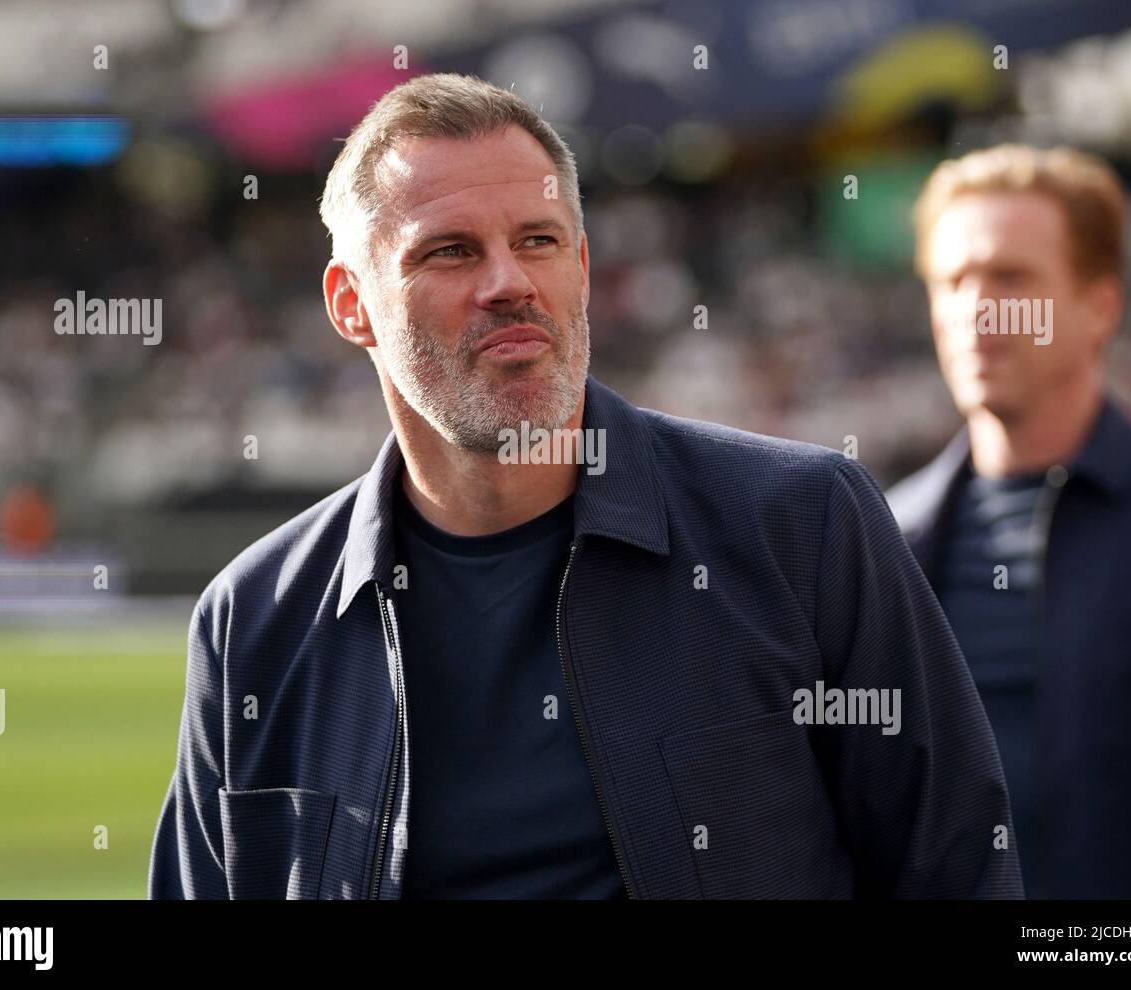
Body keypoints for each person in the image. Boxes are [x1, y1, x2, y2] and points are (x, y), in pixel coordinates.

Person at [149, 73, 1021, 900]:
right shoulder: (252, 624)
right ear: (351, 305)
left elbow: (956, 871)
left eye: (539, 240)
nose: (509, 284)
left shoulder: (803, 525)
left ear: (584, 266)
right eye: (450, 252)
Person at [887, 144, 1131, 898]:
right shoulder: (881, 543)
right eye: (954, 280)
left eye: (1011, 277)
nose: (975, 308)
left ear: (1101, 307)